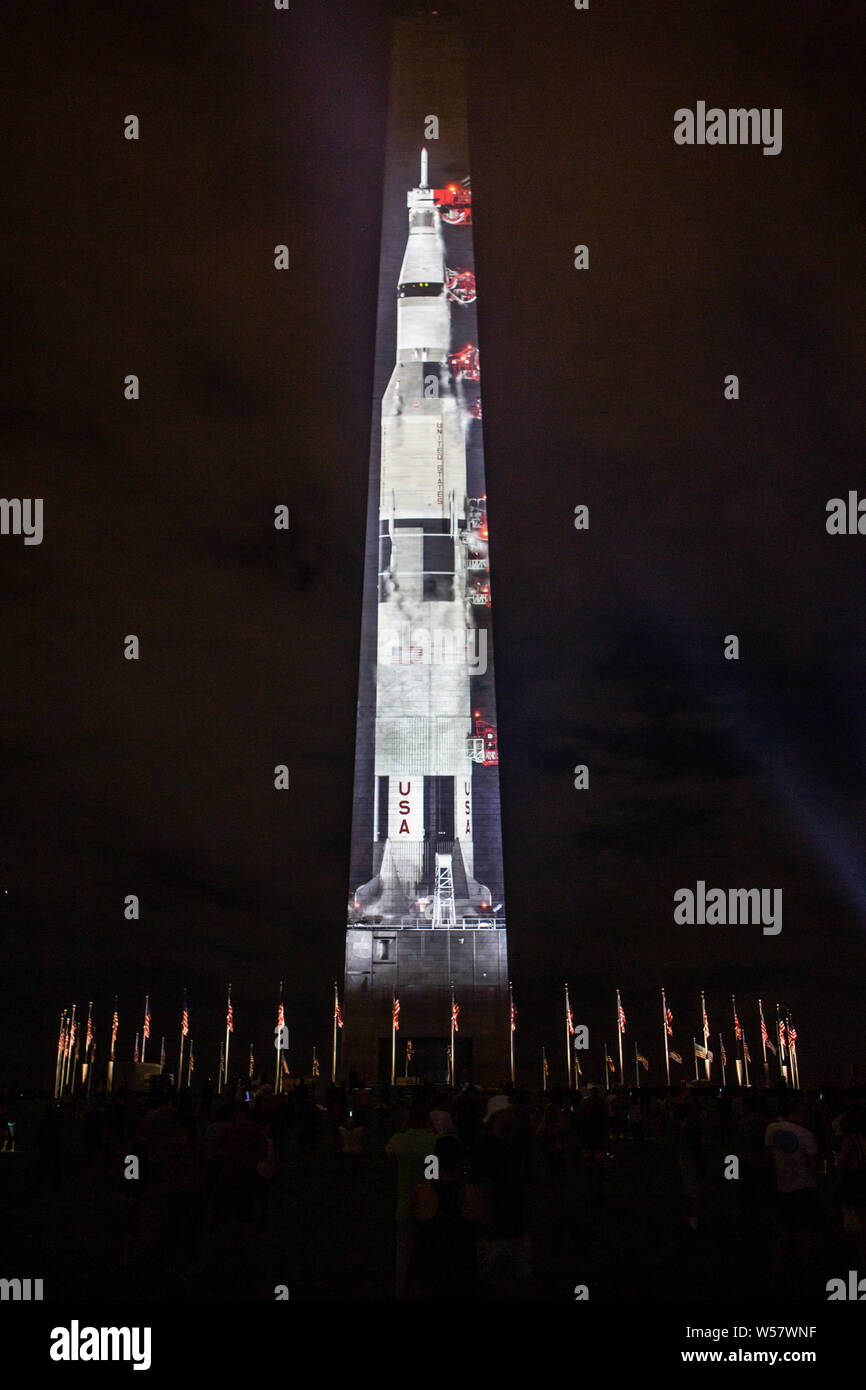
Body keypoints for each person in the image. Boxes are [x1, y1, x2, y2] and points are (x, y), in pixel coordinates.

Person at [408, 1134, 484, 1299]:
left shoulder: (421, 1192)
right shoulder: (472, 1192)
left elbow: (415, 1220)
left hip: (429, 1264)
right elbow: (479, 1219)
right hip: (460, 1263)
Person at [385, 1104, 434, 1298]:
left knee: (403, 1256)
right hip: (429, 1206)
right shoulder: (434, 1141)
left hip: (404, 1205)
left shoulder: (399, 1141)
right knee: (428, 1255)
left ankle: (401, 1292)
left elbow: (388, 1152)